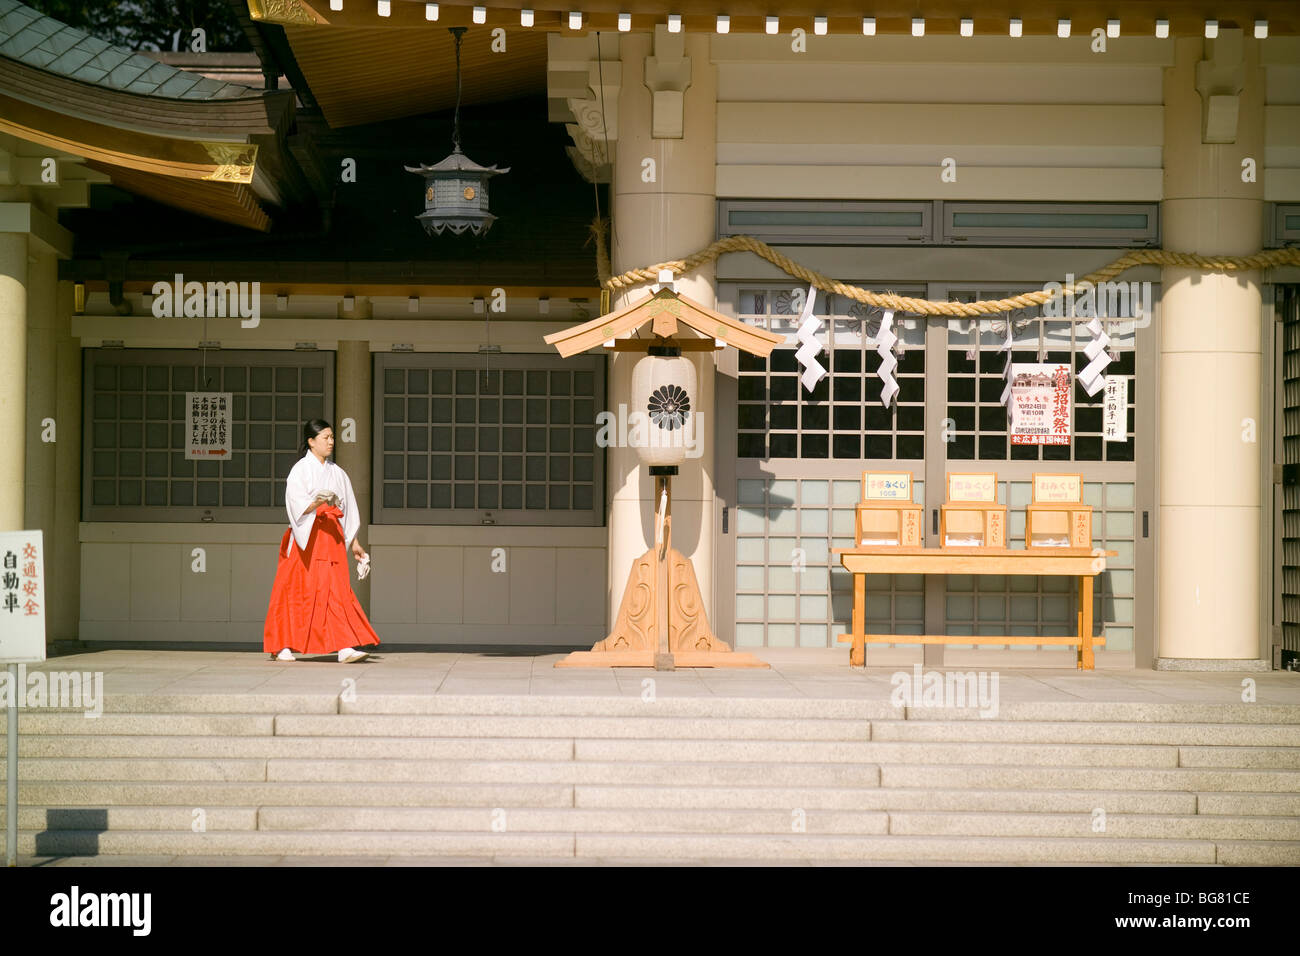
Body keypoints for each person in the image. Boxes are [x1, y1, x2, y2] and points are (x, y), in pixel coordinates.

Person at [263, 419, 379, 662]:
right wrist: (317, 502)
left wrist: (355, 542)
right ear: (311, 441)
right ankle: (282, 644)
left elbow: (348, 509)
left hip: (332, 537)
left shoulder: (338, 473)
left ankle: (345, 646)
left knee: (336, 590)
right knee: (294, 590)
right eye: (325, 437)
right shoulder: (300, 470)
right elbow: (297, 505)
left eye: (332, 437)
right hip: (307, 536)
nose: (331, 441)